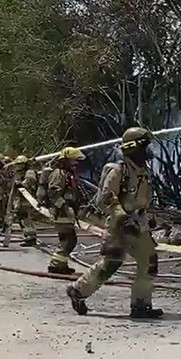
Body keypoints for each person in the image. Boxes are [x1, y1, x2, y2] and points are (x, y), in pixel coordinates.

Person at [67, 127, 161, 318]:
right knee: (111, 264)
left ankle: (141, 306)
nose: (148, 151)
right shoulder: (118, 171)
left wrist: (148, 219)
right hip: (120, 226)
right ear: (134, 148)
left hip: (138, 226)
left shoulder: (142, 173)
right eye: (144, 146)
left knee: (149, 261)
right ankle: (78, 291)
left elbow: (141, 201)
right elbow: (106, 199)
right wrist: (122, 217)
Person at [45, 147, 85, 275]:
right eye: (74, 161)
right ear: (65, 160)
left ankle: (60, 264)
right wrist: (64, 207)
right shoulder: (58, 174)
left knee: (67, 240)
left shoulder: (68, 174)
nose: (76, 164)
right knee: (69, 240)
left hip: (67, 211)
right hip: (61, 212)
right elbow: (53, 193)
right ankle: (56, 265)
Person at [4, 155, 38, 247]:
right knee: (22, 218)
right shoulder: (19, 173)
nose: (17, 166)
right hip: (20, 199)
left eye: (19, 164)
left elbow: (31, 181)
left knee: (26, 218)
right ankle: (28, 236)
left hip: (27, 199)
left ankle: (31, 237)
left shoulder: (29, 172)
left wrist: (21, 184)